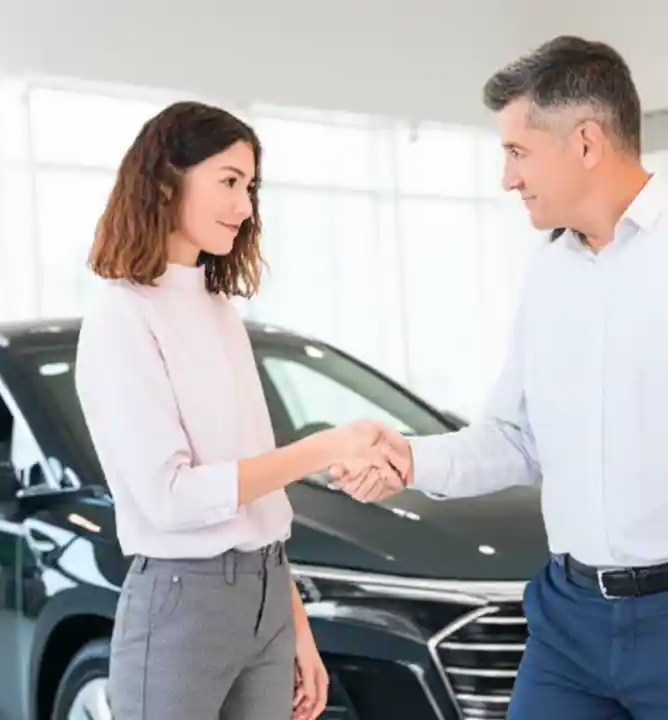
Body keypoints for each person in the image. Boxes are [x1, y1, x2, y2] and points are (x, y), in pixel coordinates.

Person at [332, 36, 668, 720]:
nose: (506, 178)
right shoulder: (548, 273)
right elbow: (516, 439)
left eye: (517, 152)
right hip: (570, 621)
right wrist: (410, 458)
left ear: (585, 142)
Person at [75, 101, 399, 720]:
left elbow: (258, 501)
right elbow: (169, 497)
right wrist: (323, 448)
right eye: (228, 182)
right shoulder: (122, 315)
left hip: (266, 595)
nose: (246, 207)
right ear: (167, 180)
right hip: (181, 604)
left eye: (249, 187)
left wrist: (293, 624)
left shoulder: (219, 312)